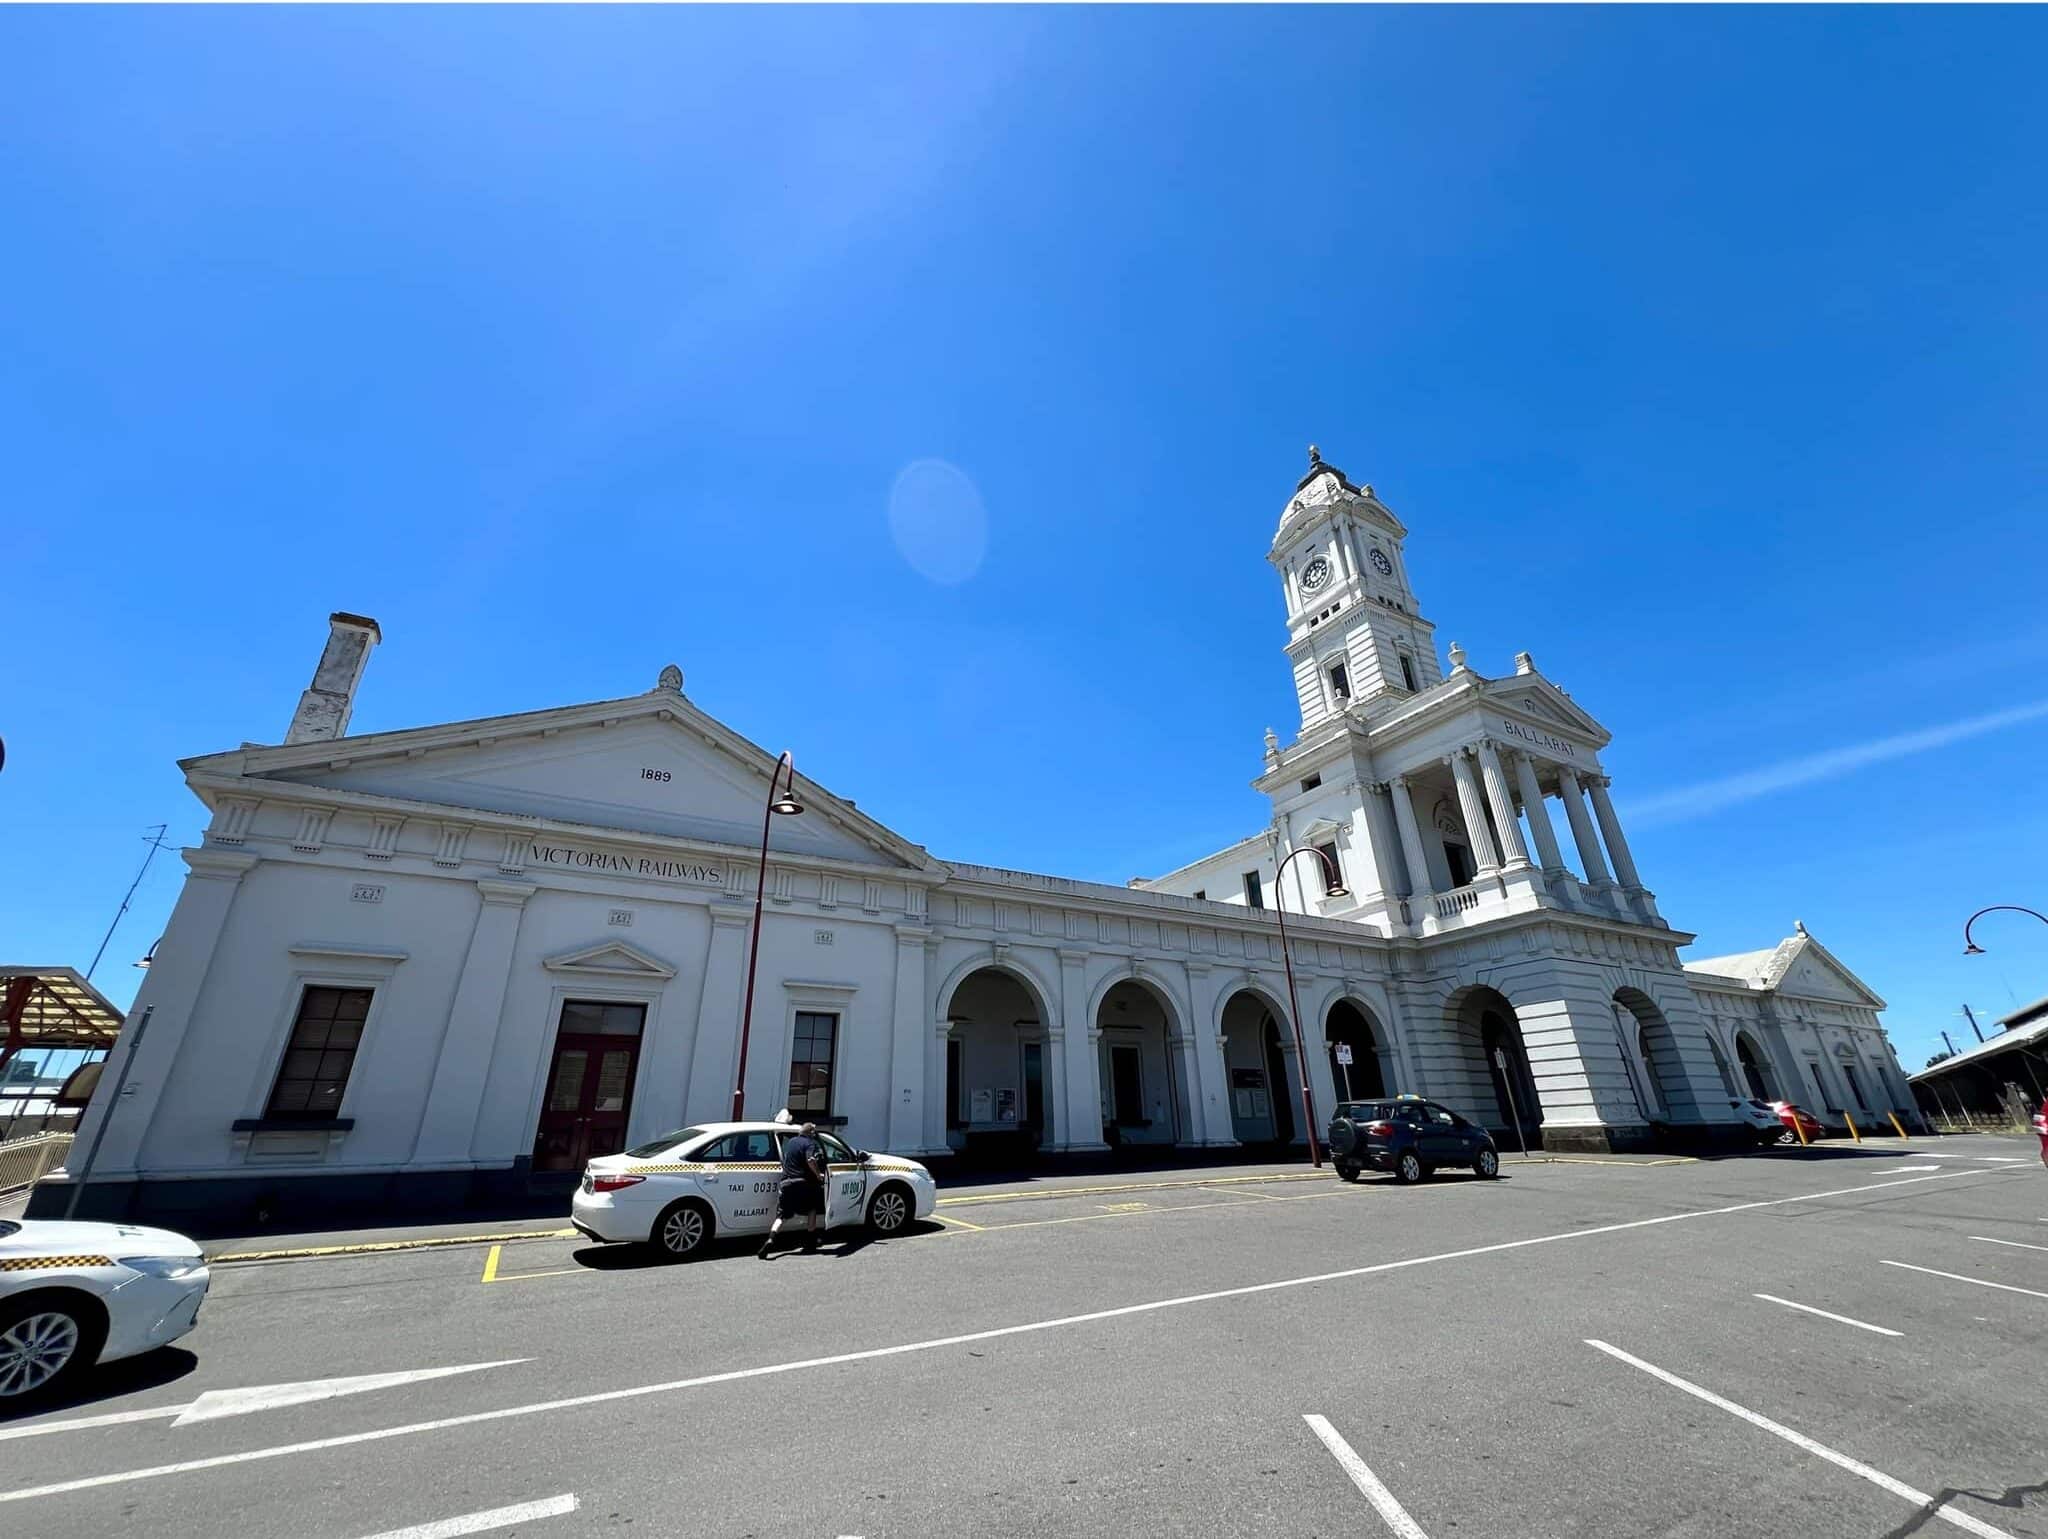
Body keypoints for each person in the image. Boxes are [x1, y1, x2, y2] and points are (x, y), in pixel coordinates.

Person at [759, 1120, 827, 1259]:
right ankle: (811, 1241)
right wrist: (818, 1175)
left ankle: (771, 1238)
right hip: (802, 1183)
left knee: (782, 1216)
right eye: (814, 1132)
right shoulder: (810, 1144)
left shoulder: (791, 1142)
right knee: (812, 1209)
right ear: (811, 1133)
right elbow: (810, 1160)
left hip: (786, 1183)